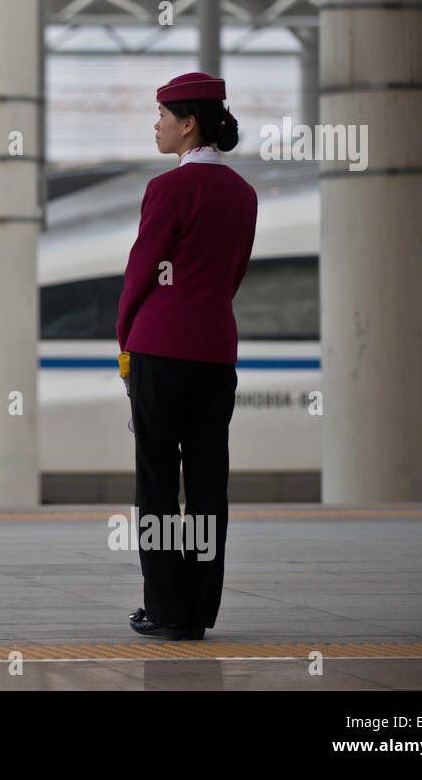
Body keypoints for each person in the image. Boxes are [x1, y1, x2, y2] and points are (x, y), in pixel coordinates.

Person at [117, 71, 258, 641]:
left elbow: (140, 274)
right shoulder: (244, 194)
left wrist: (127, 337)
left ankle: (164, 608)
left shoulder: (167, 190)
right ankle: (199, 611)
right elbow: (233, 275)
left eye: (161, 116)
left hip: (158, 347)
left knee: (156, 481)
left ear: (188, 122)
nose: (156, 126)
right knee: (207, 482)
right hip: (215, 351)